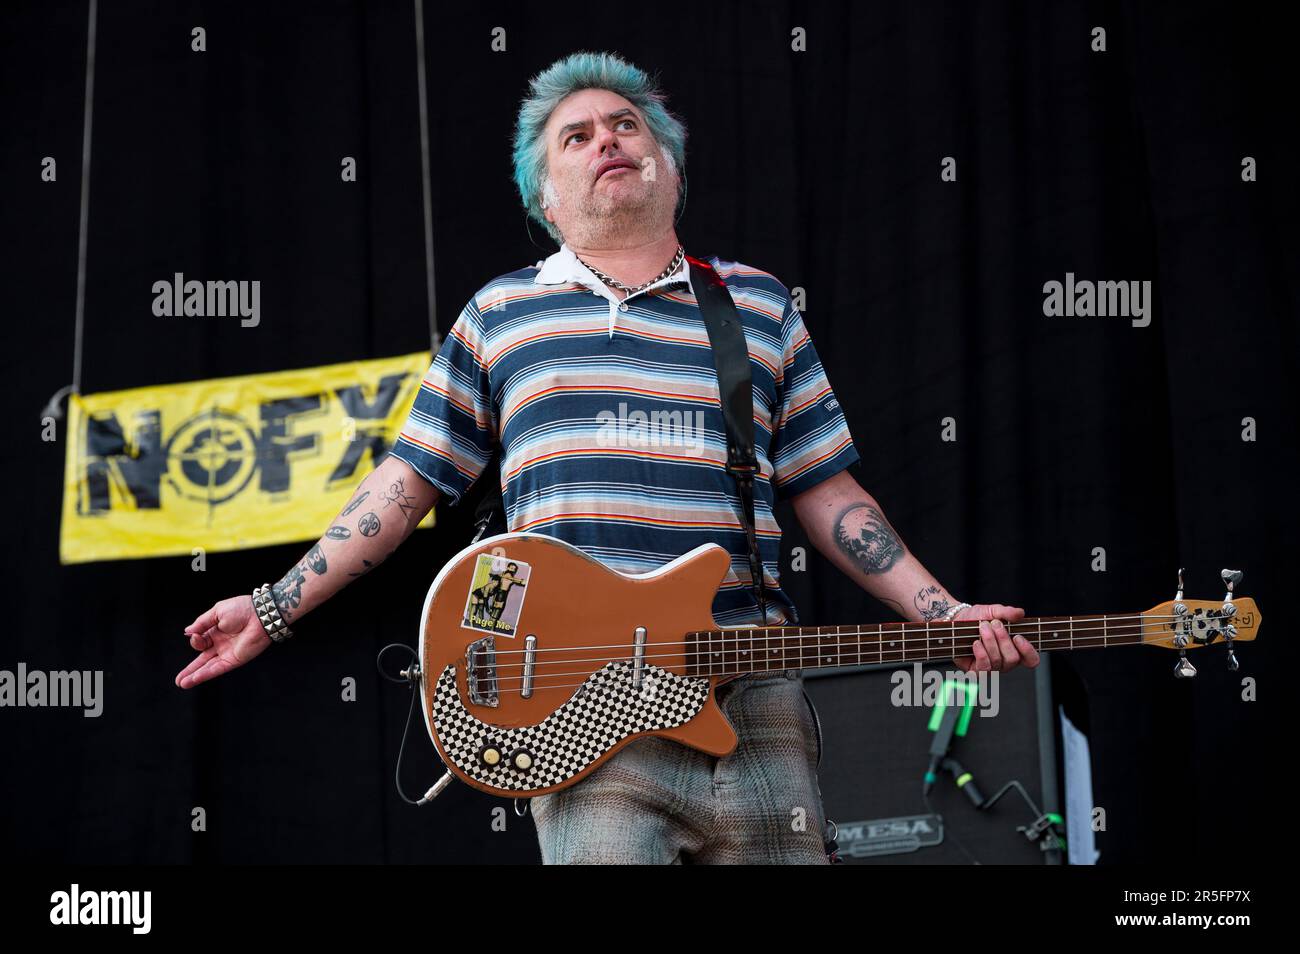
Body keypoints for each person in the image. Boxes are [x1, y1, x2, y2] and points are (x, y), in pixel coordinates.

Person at [177, 51, 1039, 864]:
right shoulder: (501, 313)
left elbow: (823, 487)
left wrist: (938, 609)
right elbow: (407, 484)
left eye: (626, 125)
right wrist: (275, 605)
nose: (607, 141)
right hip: (582, 704)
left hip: (752, 686)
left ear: (666, 162)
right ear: (547, 195)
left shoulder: (756, 305)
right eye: (576, 136)